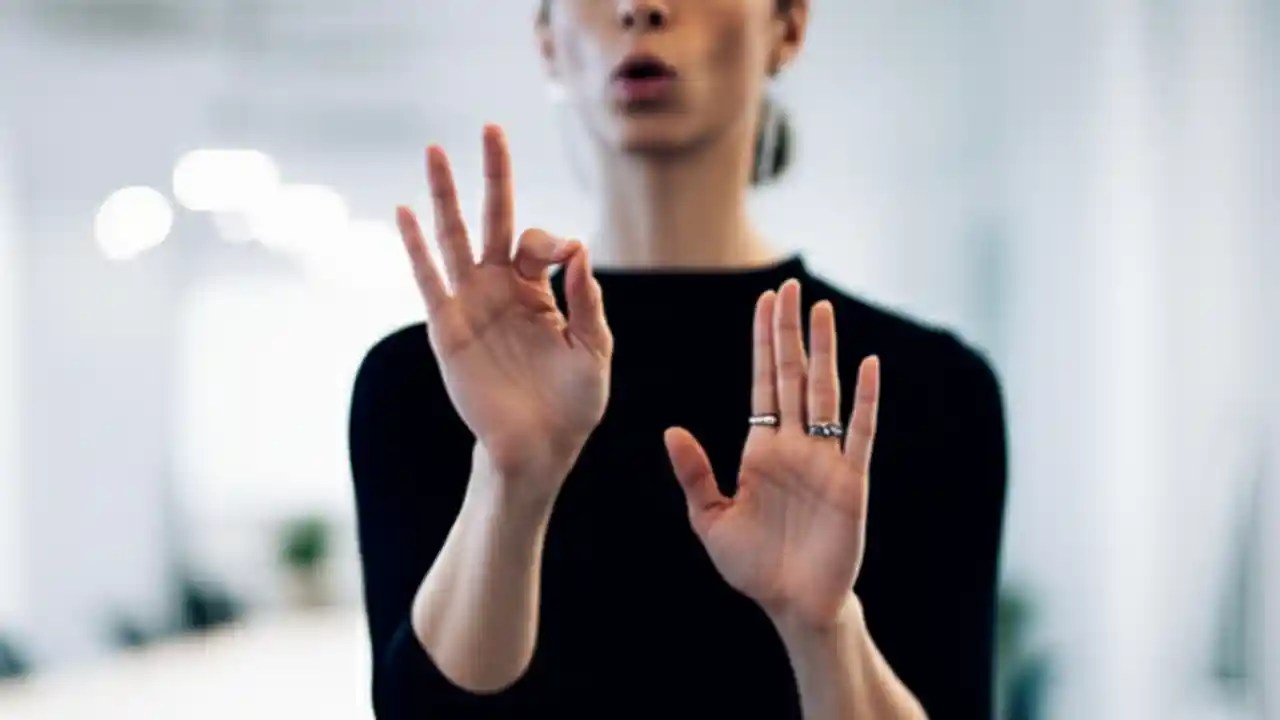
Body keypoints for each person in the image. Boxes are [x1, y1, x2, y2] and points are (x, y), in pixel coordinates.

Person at [348, 1, 1007, 717]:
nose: (641, 6)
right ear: (548, 42)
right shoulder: (430, 382)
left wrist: (824, 630)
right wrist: (511, 480)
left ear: (787, 26)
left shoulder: (926, 390)